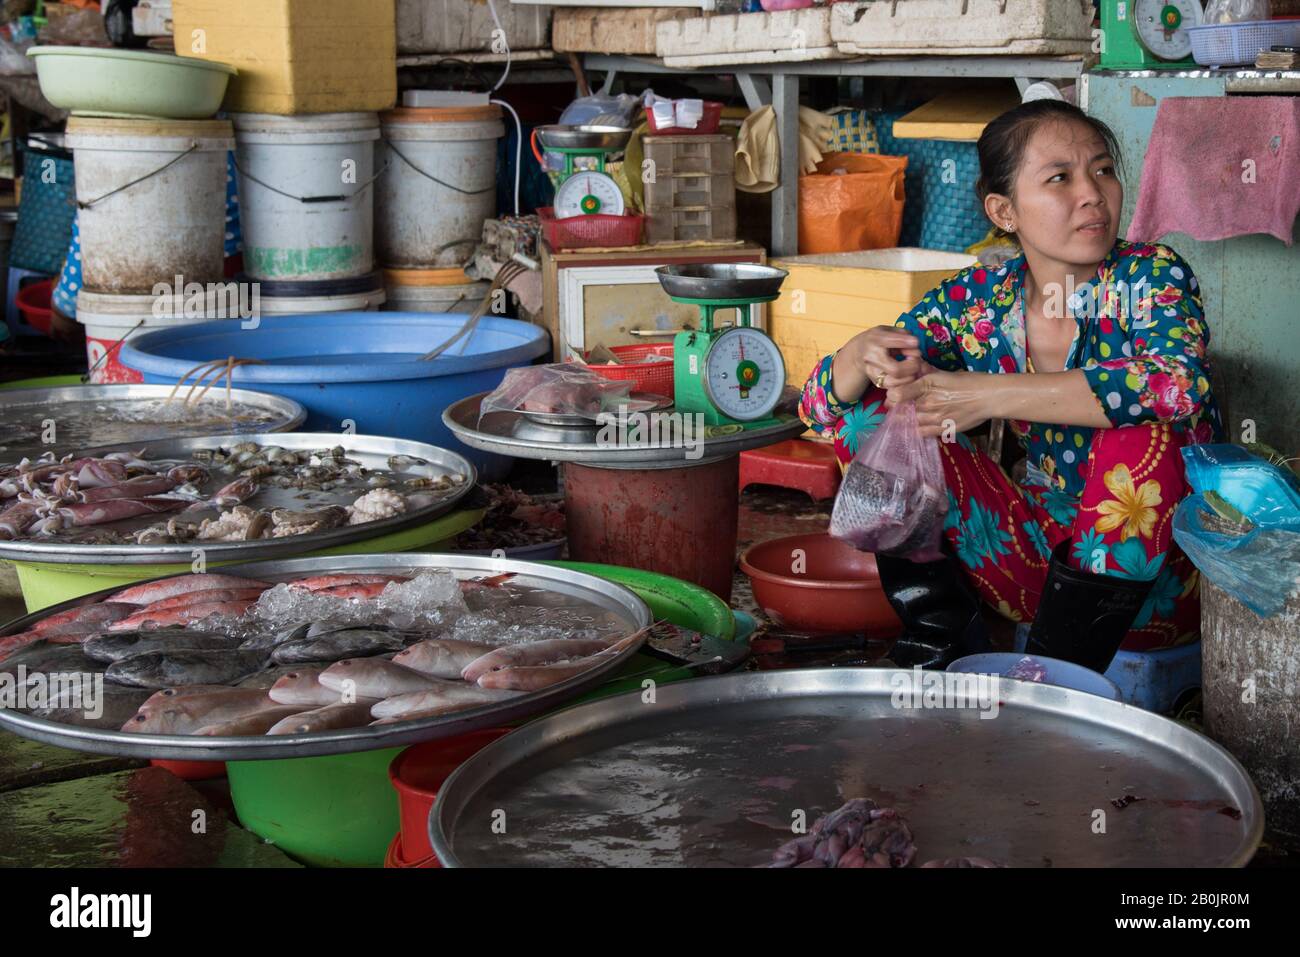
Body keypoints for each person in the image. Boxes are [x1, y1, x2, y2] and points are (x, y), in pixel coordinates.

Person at [799, 100, 1223, 673]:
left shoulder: (1149, 276)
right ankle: (941, 642)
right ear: (1004, 211)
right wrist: (860, 353)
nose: (1093, 193)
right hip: (1037, 573)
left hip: (1168, 584)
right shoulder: (976, 301)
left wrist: (984, 393)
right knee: (879, 411)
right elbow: (820, 412)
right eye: (1060, 179)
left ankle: (1053, 687)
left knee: (1141, 432)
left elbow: (1176, 385)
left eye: (1103, 170)